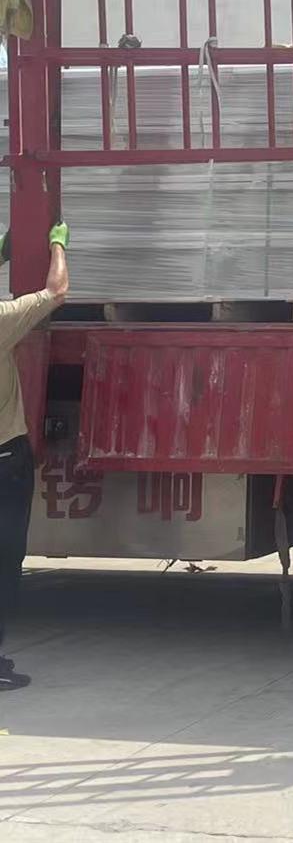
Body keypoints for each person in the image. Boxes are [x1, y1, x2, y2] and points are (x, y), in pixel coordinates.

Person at [0, 222, 70, 692]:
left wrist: (6, 250)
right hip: (5, 460)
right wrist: (56, 244)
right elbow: (56, 291)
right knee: (4, 564)